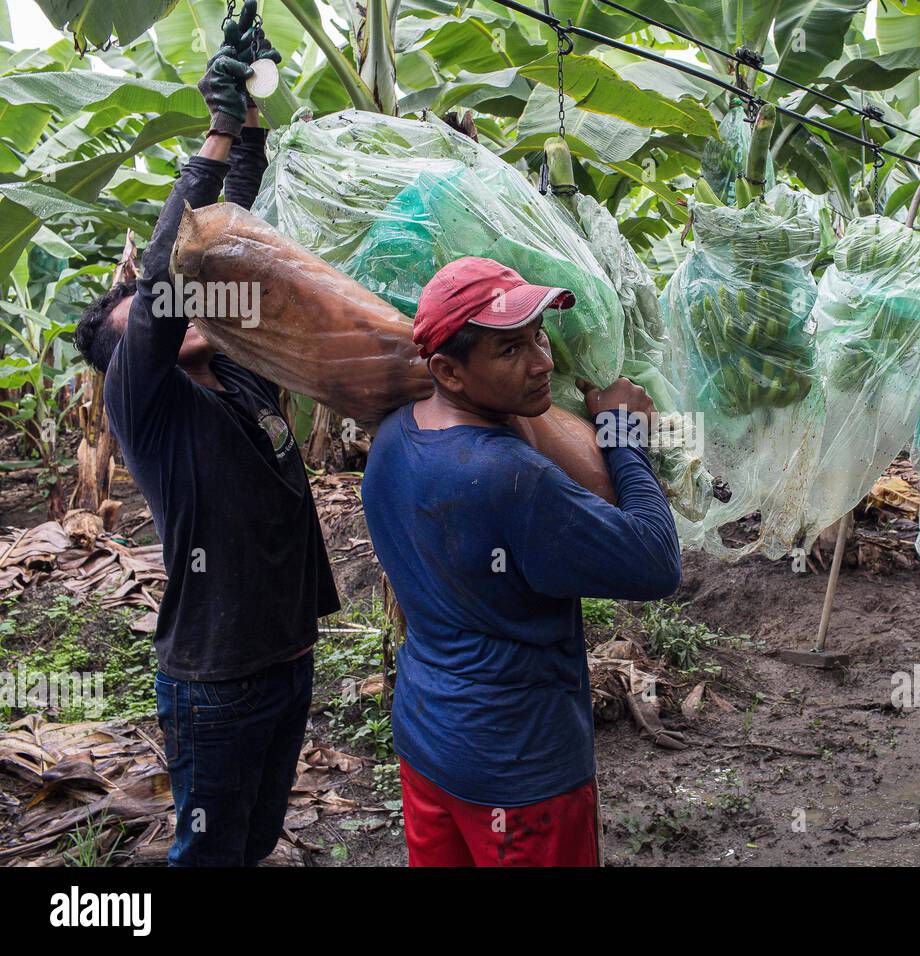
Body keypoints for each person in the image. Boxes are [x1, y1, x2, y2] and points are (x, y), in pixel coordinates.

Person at [73, 3, 339, 866]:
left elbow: (231, 235)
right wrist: (216, 128)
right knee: (211, 853)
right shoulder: (147, 405)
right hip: (215, 678)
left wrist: (251, 129)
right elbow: (162, 278)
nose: (185, 302)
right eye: (146, 315)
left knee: (254, 839)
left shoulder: (238, 369)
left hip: (288, 656)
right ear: (125, 355)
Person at [362, 256, 681, 867]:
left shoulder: (394, 438)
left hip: (428, 743)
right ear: (448, 371)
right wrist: (619, 435)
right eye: (510, 351)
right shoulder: (511, 478)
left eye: (539, 336)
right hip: (519, 769)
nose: (543, 362)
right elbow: (656, 562)